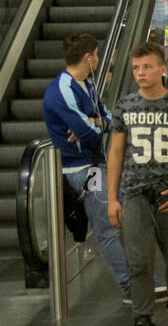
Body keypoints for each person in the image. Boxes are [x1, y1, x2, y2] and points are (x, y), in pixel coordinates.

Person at [42, 32, 147, 304]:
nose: (101, 59)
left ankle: (136, 282)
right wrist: (92, 124)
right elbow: (88, 132)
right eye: (98, 55)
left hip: (95, 165)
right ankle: (130, 289)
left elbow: (107, 118)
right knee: (108, 227)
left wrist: (92, 122)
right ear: (88, 58)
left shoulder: (86, 85)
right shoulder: (61, 90)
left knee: (123, 215)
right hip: (82, 170)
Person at [107, 42, 168, 326]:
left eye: (146, 67)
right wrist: (111, 198)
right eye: (136, 68)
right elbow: (116, 152)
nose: (141, 73)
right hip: (134, 193)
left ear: (161, 68)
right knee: (139, 261)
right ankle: (142, 323)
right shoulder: (124, 106)